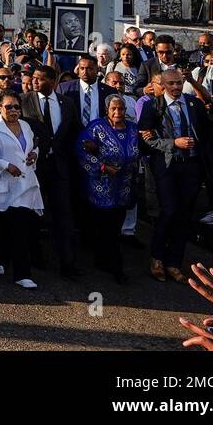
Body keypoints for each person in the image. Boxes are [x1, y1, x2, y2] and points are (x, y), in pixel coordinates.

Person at [138, 67, 213, 283]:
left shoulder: (193, 104)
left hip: (191, 166)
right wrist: (173, 143)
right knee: (169, 211)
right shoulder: (154, 106)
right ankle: (157, 258)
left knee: (184, 214)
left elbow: (206, 132)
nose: (176, 87)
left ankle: (174, 262)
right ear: (162, 84)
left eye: (179, 83)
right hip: (167, 166)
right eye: (171, 83)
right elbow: (145, 139)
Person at [0, 90, 45, 289]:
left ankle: (22, 274)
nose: (13, 110)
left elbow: (32, 147)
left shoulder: (26, 126)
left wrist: (34, 154)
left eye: (16, 106)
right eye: (8, 106)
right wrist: (6, 166)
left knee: (20, 227)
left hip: (24, 185)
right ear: (0, 108)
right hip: (1, 184)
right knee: (0, 224)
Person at [20, 64, 83, 279]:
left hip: (60, 168)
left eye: (39, 79)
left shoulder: (67, 104)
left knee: (63, 215)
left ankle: (68, 263)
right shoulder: (25, 100)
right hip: (34, 167)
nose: (34, 82)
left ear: (53, 81)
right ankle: (33, 257)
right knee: (34, 213)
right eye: (33, 78)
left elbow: (75, 131)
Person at [77, 94, 141, 283]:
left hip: (124, 186)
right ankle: (115, 267)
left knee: (116, 225)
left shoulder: (132, 129)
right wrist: (102, 167)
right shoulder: (97, 127)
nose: (117, 112)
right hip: (102, 186)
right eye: (113, 109)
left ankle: (104, 259)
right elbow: (81, 150)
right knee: (106, 227)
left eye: (120, 109)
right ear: (107, 110)